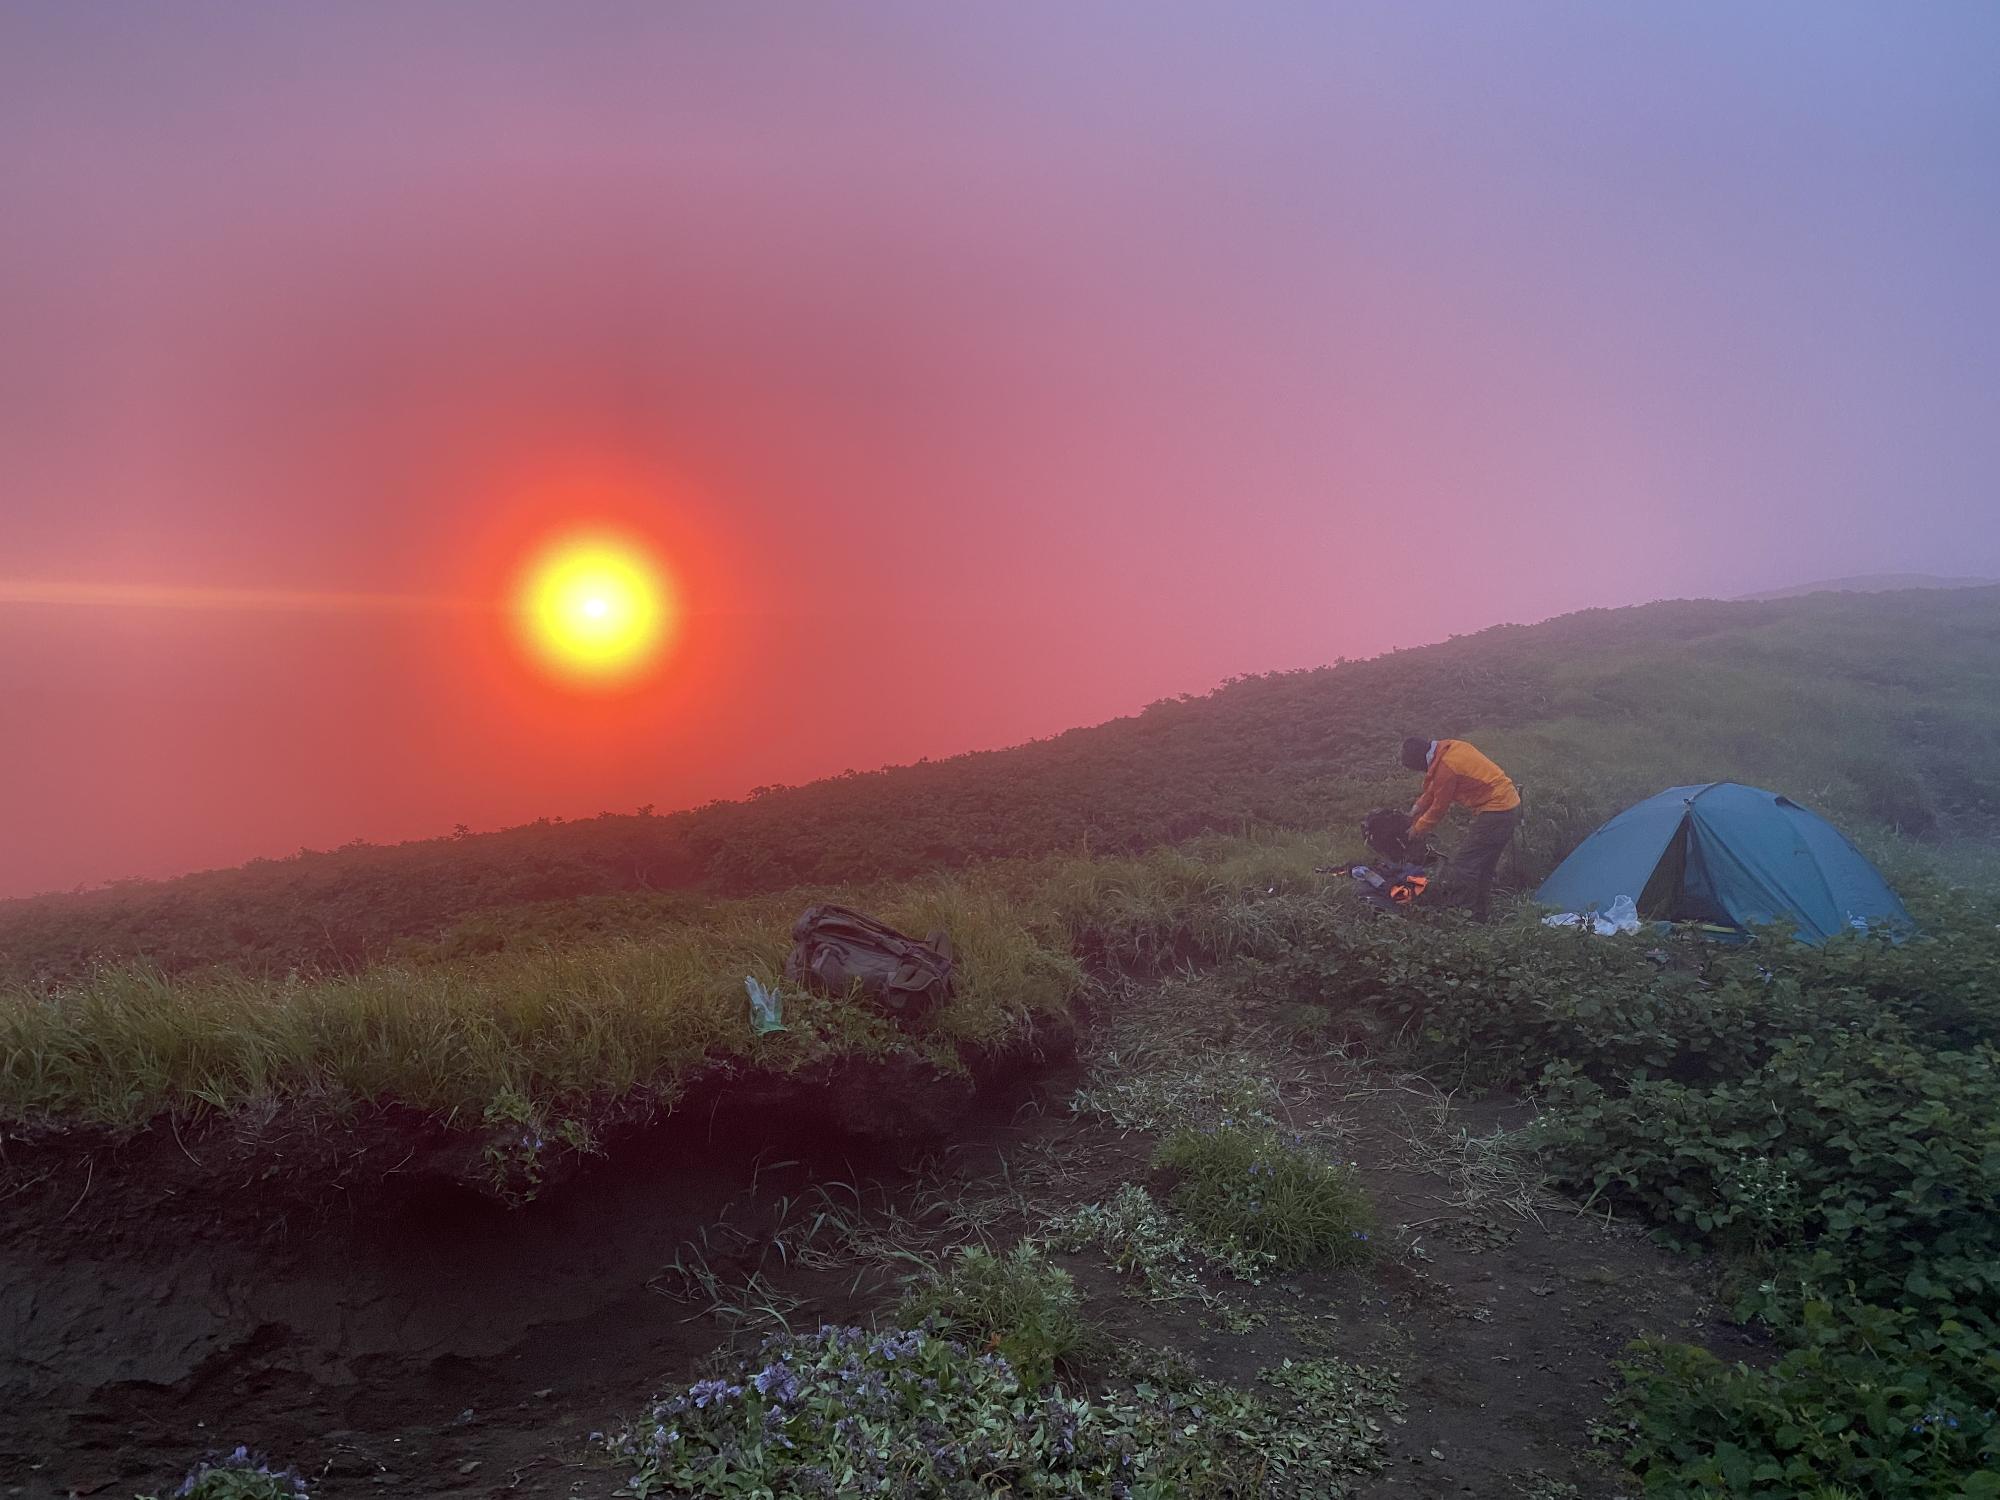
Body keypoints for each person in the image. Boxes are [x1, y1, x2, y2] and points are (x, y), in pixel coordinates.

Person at [1400, 736, 1521, 921]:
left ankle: (1462, 918)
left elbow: (1439, 807)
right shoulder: (1450, 748)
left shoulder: (1446, 769)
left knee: (1464, 866)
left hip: (1496, 811)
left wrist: (1417, 830)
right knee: (1483, 865)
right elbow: (1434, 789)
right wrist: (1415, 810)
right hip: (1508, 805)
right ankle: (1479, 914)